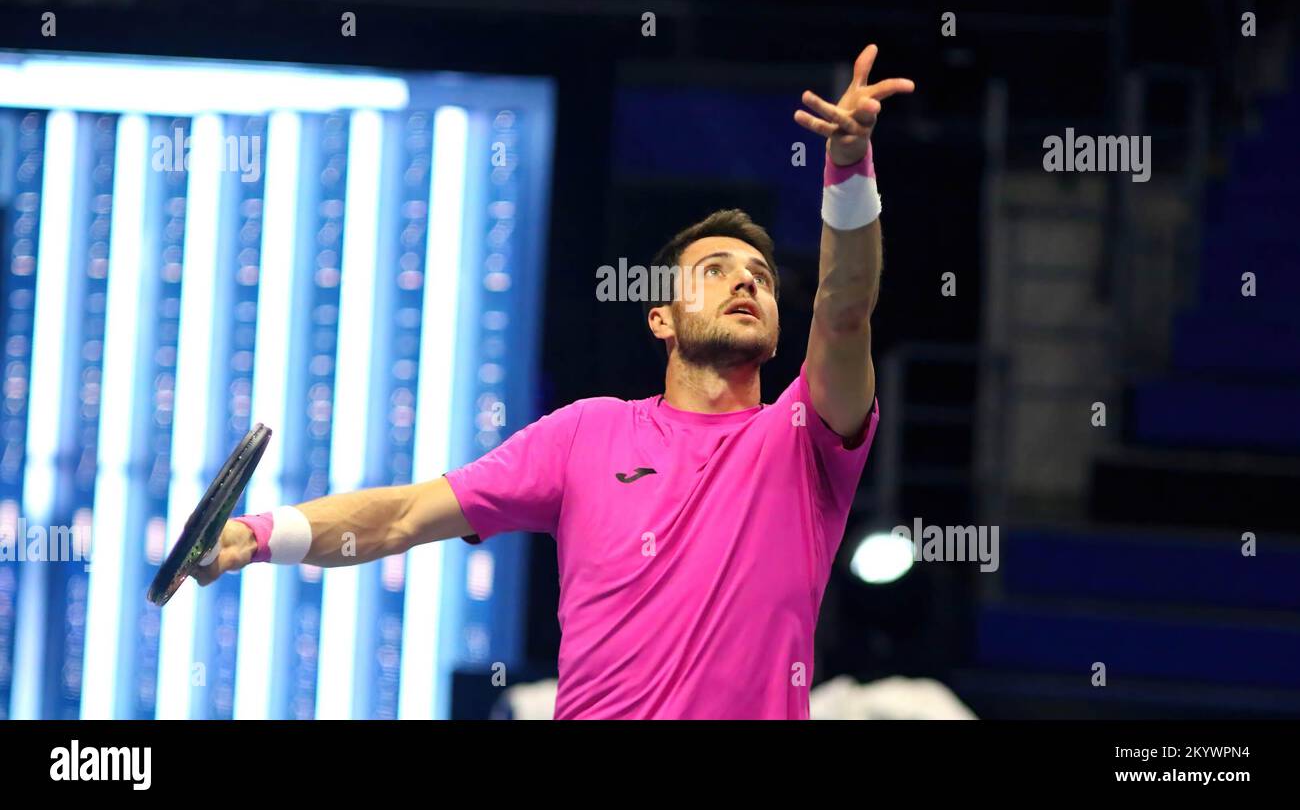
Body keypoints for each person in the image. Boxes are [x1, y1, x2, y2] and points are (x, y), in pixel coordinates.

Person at [196, 42, 914, 719]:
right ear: (660, 318)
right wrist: (254, 537)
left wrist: (848, 166)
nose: (746, 284)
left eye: (760, 276)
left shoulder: (803, 438)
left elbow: (846, 308)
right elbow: (404, 516)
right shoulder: (586, 433)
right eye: (716, 271)